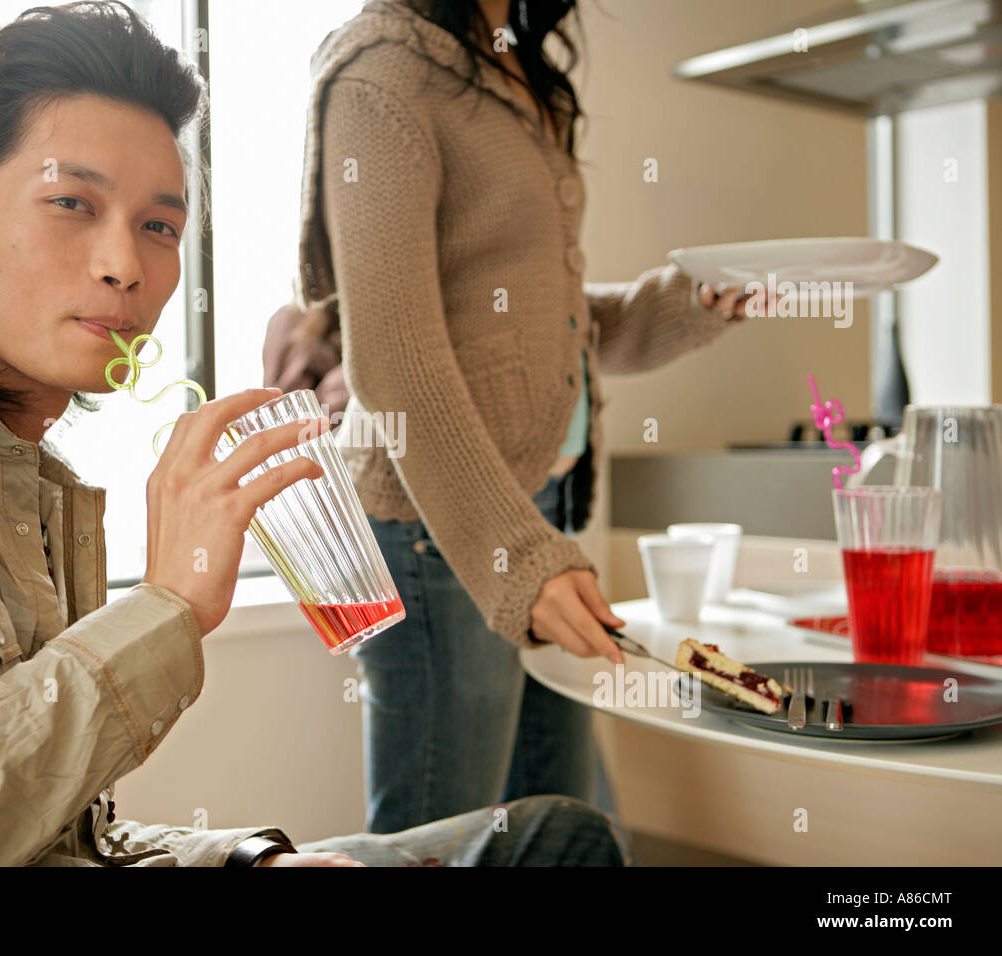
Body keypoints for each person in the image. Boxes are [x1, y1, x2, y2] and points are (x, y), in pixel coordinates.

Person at [0, 0, 623, 867]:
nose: (123, 267)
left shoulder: (43, 484)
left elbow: (66, 841)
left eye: (158, 225)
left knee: (556, 834)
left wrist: (247, 859)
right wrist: (167, 608)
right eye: (72, 204)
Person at [298, 0, 757, 834]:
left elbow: (550, 326)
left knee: (559, 828)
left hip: (536, 513)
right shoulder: (382, 75)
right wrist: (519, 558)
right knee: (444, 841)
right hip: (444, 530)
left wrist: (688, 302)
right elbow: (396, 360)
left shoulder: (514, 62)